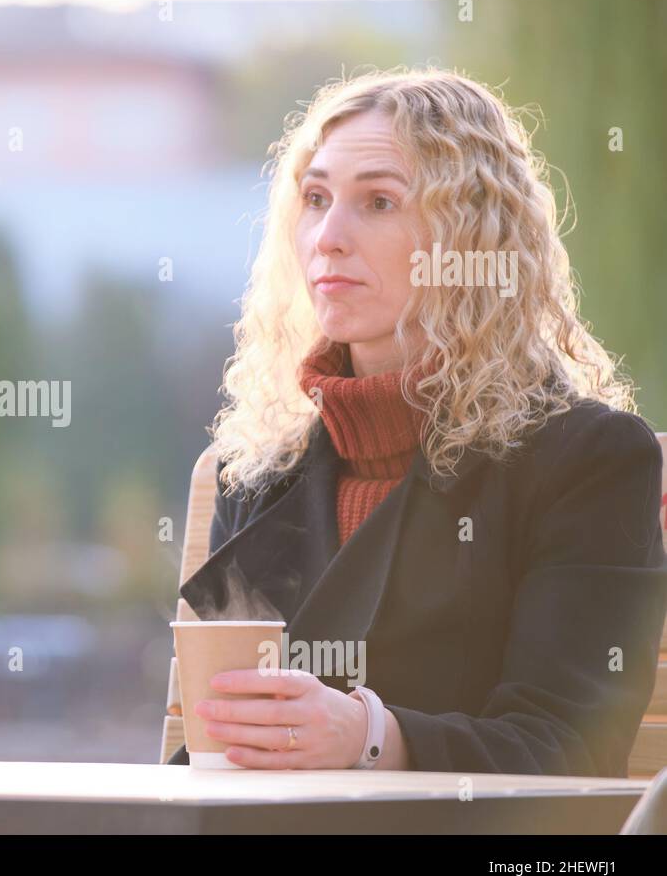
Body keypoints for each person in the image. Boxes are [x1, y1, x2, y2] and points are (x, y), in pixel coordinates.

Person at [170, 68, 667, 776]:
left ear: (472, 240)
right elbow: (221, 746)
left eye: (378, 201)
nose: (328, 238)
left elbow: (568, 749)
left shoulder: (584, 459)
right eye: (315, 199)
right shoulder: (257, 469)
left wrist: (370, 737)